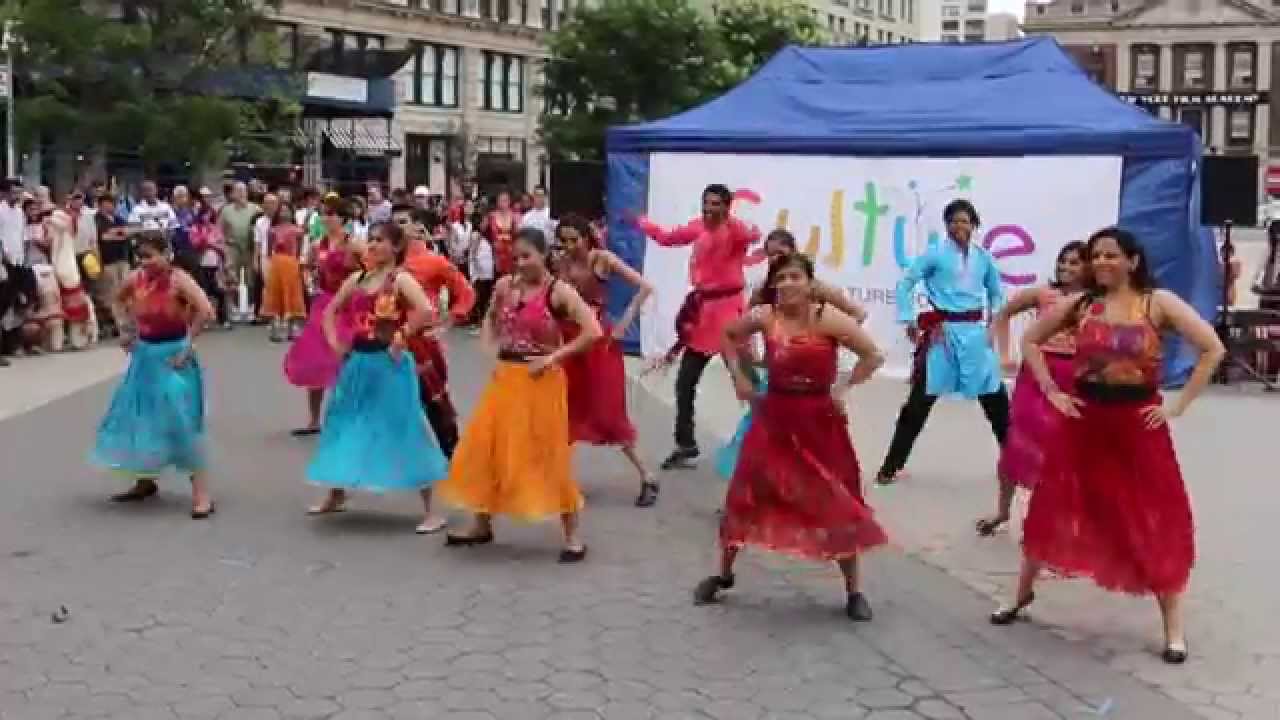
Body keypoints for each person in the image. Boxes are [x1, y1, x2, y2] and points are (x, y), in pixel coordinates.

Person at [990, 227, 1224, 665]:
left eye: (1110, 255)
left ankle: (1174, 629)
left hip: (1138, 427)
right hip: (1083, 423)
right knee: (1052, 507)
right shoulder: (1081, 305)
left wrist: (1179, 405)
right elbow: (1031, 341)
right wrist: (1052, 391)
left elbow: (1212, 348)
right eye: (1095, 256)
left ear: (1132, 260)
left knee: (1153, 518)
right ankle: (1020, 596)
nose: (1100, 263)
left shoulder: (1158, 303)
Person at [694, 252, 887, 619]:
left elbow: (872, 355)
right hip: (774, 418)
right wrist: (739, 376)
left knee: (837, 499)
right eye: (779, 279)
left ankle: (854, 591)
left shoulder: (827, 318)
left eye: (794, 277)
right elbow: (728, 336)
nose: (785, 285)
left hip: (819, 421)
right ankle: (723, 574)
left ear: (810, 284)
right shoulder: (767, 317)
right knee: (746, 494)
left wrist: (841, 388)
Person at [439, 227, 602, 562]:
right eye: (516, 257)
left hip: (542, 381)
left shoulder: (560, 292)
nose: (520, 263)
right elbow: (490, 319)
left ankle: (572, 537)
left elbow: (593, 332)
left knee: (547, 452)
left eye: (527, 256)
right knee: (488, 446)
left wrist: (553, 357)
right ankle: (481, 523)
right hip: (506, 377)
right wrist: (489, 346)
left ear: (544, 255)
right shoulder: (504, 286)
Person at [304, 222, 450, 533]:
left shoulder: (400, 280)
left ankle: (432, 509)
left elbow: (426, 311)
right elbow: (331, 311)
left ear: (396, 247)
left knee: (406, 426)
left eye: (380, 240)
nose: (372, 245)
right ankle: (336, 492)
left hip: (389, 363)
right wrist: (334, 342)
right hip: (358, 362)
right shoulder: (358, 279)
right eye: (370, 239)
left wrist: (403, 334)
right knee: (342, 421)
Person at [876, 199, 1009, 485]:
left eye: (965, 220)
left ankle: (1016, 465)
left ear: (974, 224)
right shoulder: (934, 254)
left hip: (974, 336)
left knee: (997, 403)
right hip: (942, 336)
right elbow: (905, 283)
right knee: (918, 405)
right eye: (953, 221)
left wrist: (993, 323)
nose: (959, 226)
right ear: (947, 225)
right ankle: (890, 467)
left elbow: (997, 293)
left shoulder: (984, 258)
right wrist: (908, 319)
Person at [715, 229, 867, 479]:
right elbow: (737, 331)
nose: (774, 259)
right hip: (774, 374)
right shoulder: (766, 291)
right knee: (755, 433)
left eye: (780, 253)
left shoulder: (819, 290)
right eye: (770, 254)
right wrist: (745, 365)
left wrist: (821, 345)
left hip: (812, 382)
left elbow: (857, 315)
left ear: (793, 250)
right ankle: (748, 491)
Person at [634, 183, 762, 470]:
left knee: (746, 380)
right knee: (685, 382)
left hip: (729, 312)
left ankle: (768, 439)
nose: (709, 208)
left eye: (716, 204)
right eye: (706, 202)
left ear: (727, 207)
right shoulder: (698, 227)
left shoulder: (735, 231)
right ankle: (685, 443)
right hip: (704, 316)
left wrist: (733, 222)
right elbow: (667, 238)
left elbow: (752, 235)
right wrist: (641, 222)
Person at [91, 231, 217, 519]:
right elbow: (116, 301)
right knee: (141, 418)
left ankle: (201, 493)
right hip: (145, 356)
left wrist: (187, 346)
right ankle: (145, 480)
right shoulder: (136, 279)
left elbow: (205, 311)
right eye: (141, 256)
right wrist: (126, 329)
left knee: (182, 422)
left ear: (166, 253)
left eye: (150, 256)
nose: (145, 262)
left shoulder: (178, 279)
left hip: (174, 357)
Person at [976, 241, 1088, 536]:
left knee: (1064, 453)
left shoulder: (1094, 301)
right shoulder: (1044, 294)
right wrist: (1003, 354)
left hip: (1074, 378)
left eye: (1075, 262)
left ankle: (1057, 523)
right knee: (1016, 445)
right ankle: (1002, 511)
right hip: (1036, 375)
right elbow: (1003, 313)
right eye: (1063, 261)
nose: (1066, 268)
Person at [555, 215, 659, 506]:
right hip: (569, 341)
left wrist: (625, 322)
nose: (569, 246)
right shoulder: (561, 263)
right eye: (564, 240)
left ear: (587, 237)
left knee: (608, 414)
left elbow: (645, 287)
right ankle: (558, 479)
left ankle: (647, 475)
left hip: (598, 343)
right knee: (565, 410)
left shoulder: (602, 259)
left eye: (574, 239)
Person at [283, 196, 363, 435]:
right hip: (324, 301)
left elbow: (370, 270)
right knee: (314, 357)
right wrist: (310, 279)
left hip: (349, 304)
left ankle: (349, 415)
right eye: (324, 214)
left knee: (344, 359)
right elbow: (305, 265)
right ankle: (314, 419)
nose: (327, 218)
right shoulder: (319, 244)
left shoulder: (355, 244)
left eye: (332, 214)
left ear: (343, 219)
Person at [401, 221, 476, 458]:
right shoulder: (381, 260)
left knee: (433, 399)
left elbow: (465, 291)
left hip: (422, 340)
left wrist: (452, 318)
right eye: (397, 221)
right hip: (389, 341)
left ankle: (452, 452)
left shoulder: (433, 261)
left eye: (407, 222)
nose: (402, 227)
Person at [261, 204, 307, 342]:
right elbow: (269, 251)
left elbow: (298, 251)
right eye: (282, 210)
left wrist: (297, 263)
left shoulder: (298, 231)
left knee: (293, 293)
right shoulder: (272, 230)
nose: (284, 213)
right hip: (276, 263)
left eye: (287, 210)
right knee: (275, 293)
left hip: (291, 263)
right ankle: (275, 327)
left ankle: (292, 328)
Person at [219, 182, 260, 321]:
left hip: (250, 247)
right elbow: (219, 230)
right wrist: (224, 247)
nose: (241, 193)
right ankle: (234, 308)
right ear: (232, 194)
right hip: (232, 247)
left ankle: (251, 308)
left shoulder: (255, 209)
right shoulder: (226, 210)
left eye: (244, 191)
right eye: (238, 191)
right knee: (232, 278)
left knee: (251, 279)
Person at [189, 198, 229, 329]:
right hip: (201, 265)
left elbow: (221, 244)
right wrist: (207, 241)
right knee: (203, 292)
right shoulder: (195, 228)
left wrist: (212, 245)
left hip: (215, 264)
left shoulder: (215, 229)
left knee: (220, 292)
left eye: (209, 214)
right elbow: (195, 243)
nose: (207, 217)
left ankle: (223, 319)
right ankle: (203, 320)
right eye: (204, 214)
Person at [483, 189, 520, 277]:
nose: (504, 203)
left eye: (506, 200)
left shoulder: (515, 216)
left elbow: (518, 235)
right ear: (497, 202)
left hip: (510, 252)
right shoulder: (491, 216)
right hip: (496, 253)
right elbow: (482, 231)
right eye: (501, 200)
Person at [467, 218, 495, 334]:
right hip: (480, 271)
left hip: (488, 269)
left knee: (486, 297)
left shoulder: (490, 236)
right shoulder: (476, 235)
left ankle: (484, 324)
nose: (486, 223)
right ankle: (480, 323)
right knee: (480, 297)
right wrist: (476, 268)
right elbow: (473, 253)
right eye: (483, 221)